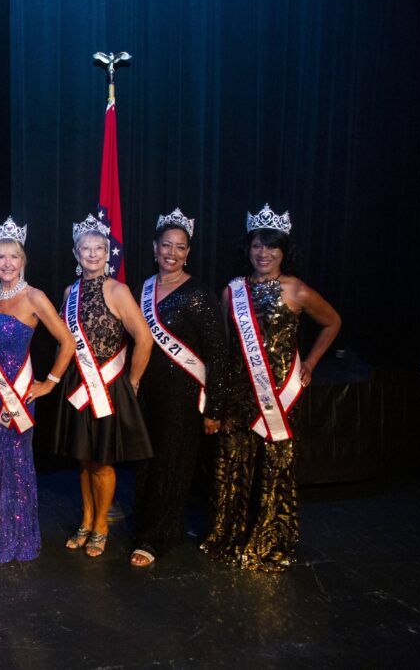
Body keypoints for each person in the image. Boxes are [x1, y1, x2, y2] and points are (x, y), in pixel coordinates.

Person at [201, 205, 341, 572]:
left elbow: (332, 323)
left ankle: (268, 540)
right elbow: (225, 346)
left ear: (284, 250)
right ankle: (228, 535)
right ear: (247, 249)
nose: (263, 254)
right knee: (232, 464)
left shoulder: (297, 289)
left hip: (278, 394)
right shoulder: (233, 290)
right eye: (257, 246)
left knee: (275, 467)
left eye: (271, 247)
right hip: (237, 392)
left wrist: (310, 363)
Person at [46, 215, 153, 558]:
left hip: (108, 385)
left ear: (108, 253)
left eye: (99, 248)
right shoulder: (70, 292)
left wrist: (133, 381)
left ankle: (102, 525)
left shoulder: (117, 290)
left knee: (102, 462)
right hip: (79, 385)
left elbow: (144, 339)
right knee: (83, 459)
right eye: (85, 248)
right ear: (75, 253)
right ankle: (87, 520)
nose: (92, 254)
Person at [0, 217, 75, 563]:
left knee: (15, 462)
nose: (7, 263)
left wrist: (51, 382)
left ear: (23, 260)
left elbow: (67, 342)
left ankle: (16, 537)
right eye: (0, 257)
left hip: (18, 395)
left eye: (13, 256)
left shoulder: (35, 297)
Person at [130, 210, 227, 567]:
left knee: (173, 462)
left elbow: (218, 352)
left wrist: (215, 407)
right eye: (166, 245)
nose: (172, 252)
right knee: (146, 460)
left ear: (188, 252)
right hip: (149, 391)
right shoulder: (143, 288)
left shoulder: (199, 293)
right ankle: (146, 523)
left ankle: (158, 537)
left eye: (180, 247)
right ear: (155, 248)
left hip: (183, 394)